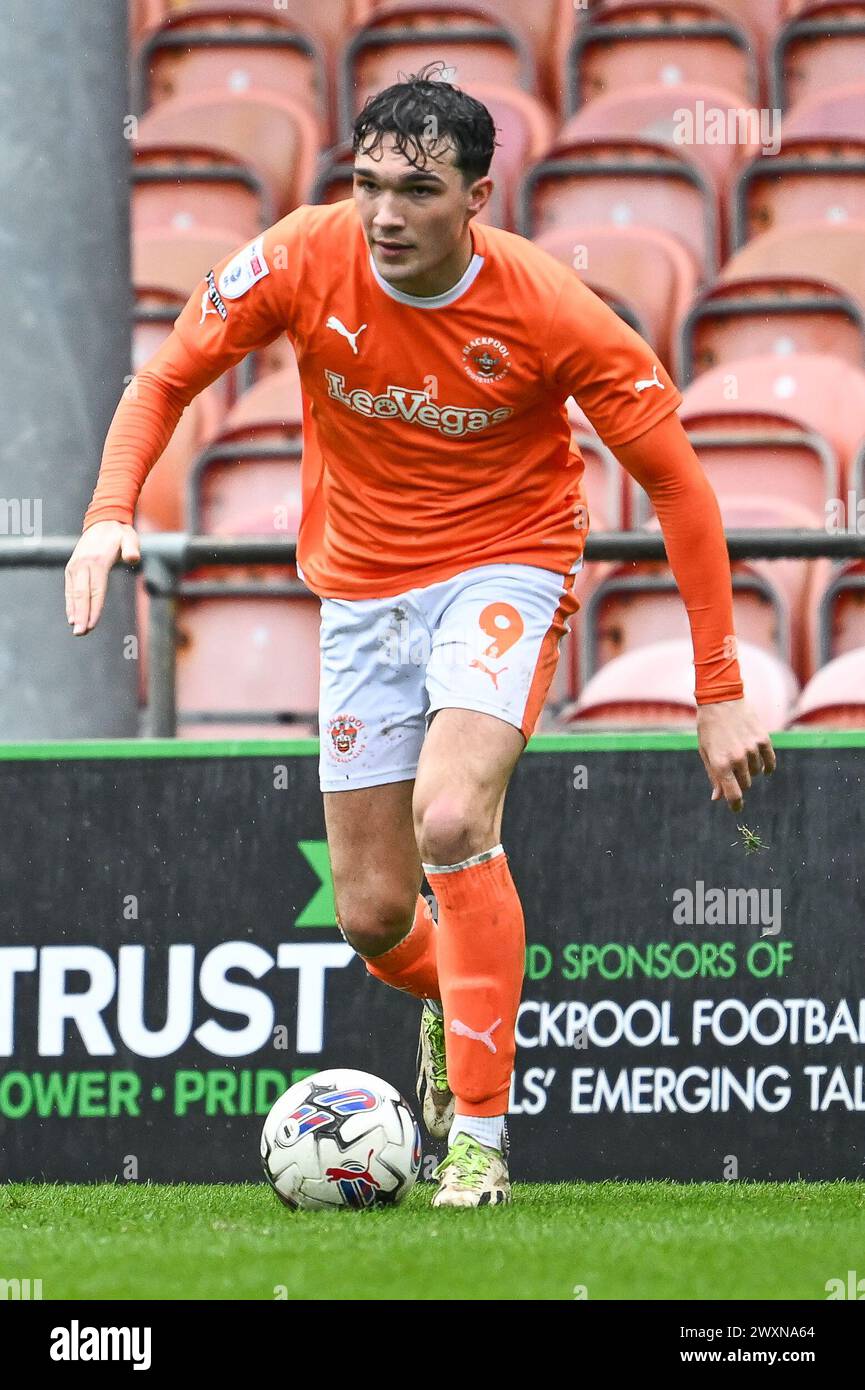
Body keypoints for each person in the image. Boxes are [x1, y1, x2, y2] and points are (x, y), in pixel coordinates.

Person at [65, 65, 776, 1208]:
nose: (385, 213)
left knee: (452, 816)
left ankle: (480, 1146)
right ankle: (463, 1002)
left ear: (478, 198)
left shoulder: (550, 307)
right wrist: (109, 518)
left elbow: (678, 486)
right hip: (358, 592)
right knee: (372, 914)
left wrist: (718, 686)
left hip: (506, 565)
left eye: (418, 189)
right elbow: (165, 380)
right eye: (367, 184)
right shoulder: (304, 253)